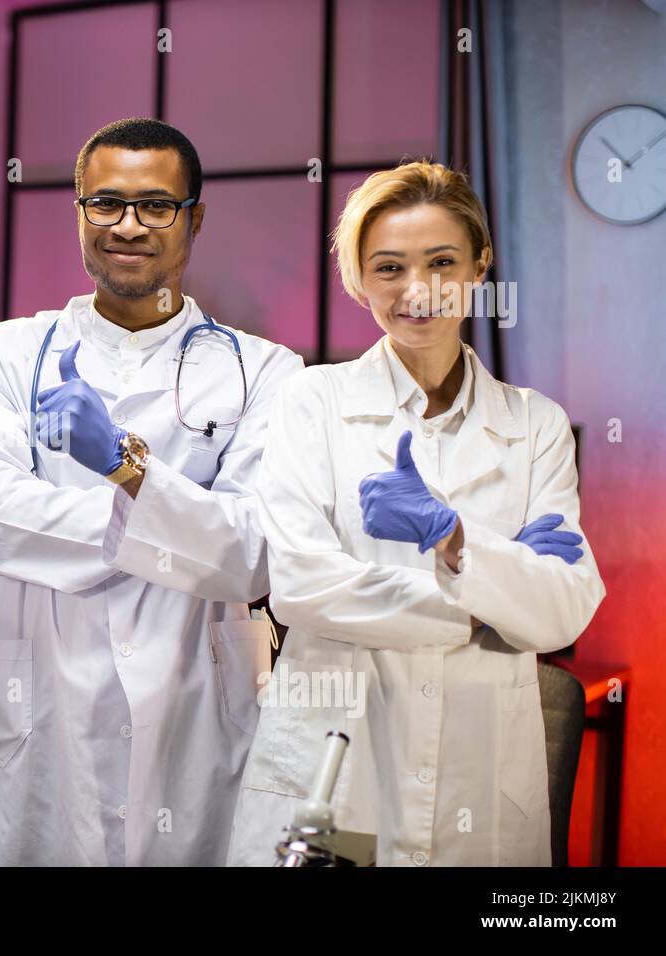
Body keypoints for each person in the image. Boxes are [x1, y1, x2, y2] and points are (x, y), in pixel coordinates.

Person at [0, 118, 304, 865]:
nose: (127, 225)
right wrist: (170, 522)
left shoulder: (265, 372)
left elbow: (256, 555)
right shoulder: (0, 355)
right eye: (105, 203)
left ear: (194, 218)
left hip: (192, 705)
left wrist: (128, 470)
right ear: (79, 212)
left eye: (155, 206)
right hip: (40, 712)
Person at [227, 161, 606, 866]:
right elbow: (304, 588)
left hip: (482, 769)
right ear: (360, 280)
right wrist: (487, 595)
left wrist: (453, 537)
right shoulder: (313, 402)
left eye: (441, 262)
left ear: (480, 266)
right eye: (389, 267)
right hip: (336, 765)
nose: (417, 290)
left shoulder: (535, 425)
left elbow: (564, 614)